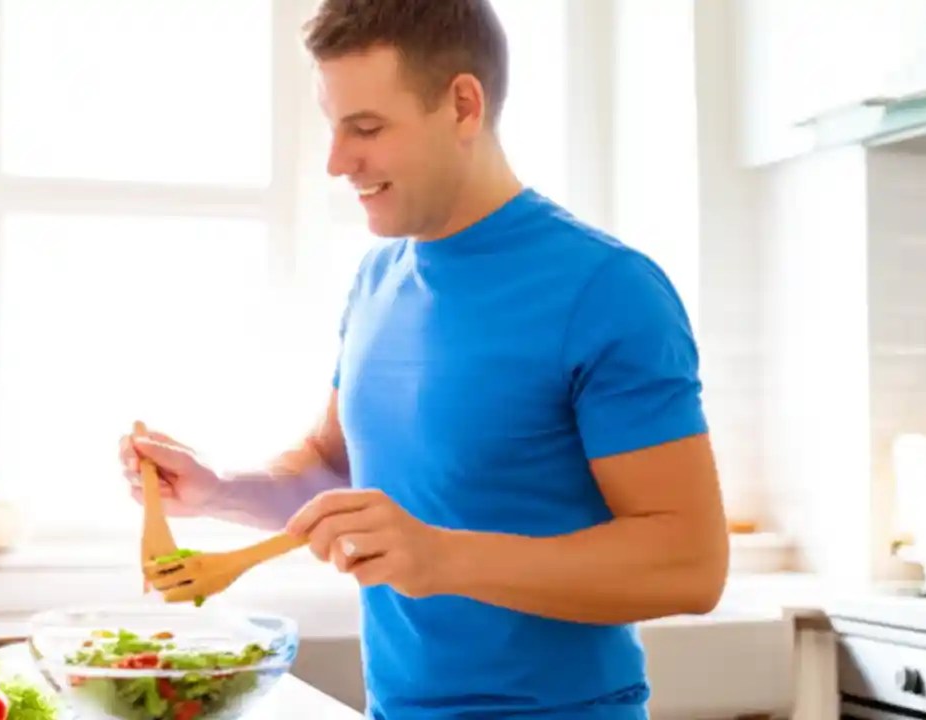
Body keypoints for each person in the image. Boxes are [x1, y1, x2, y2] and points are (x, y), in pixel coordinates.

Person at [118, 1, 729, 717]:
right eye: (333, 124)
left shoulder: (606, 289)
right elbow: (333, 468)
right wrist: (218, 490)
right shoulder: (379, 279)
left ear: (462, 105)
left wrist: (440, 558)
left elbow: (690, 564)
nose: (337, 161)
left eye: (368, 127)